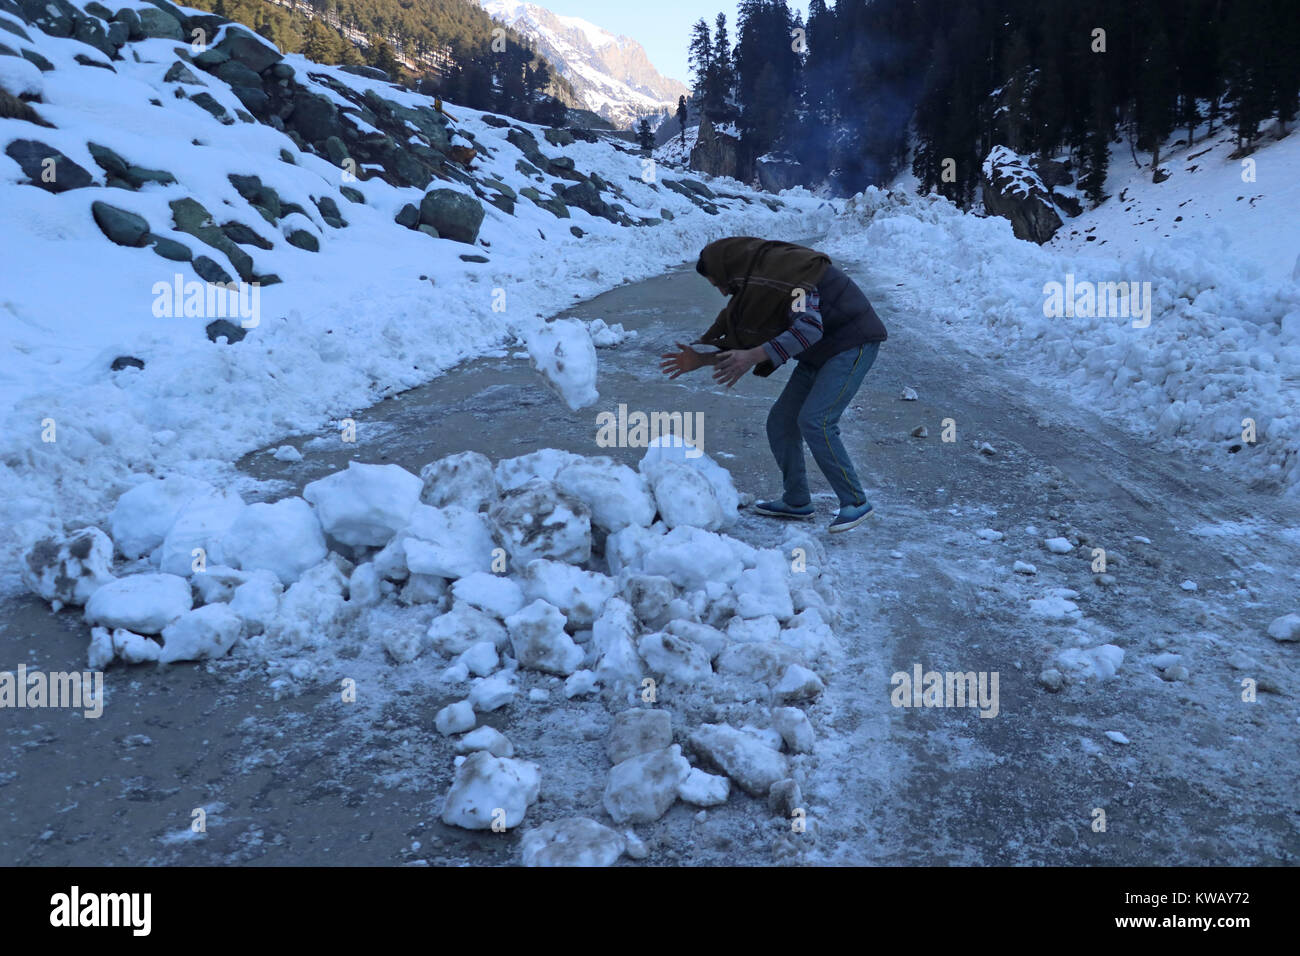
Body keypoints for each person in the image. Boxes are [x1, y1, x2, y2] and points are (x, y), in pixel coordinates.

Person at [659, 237, 887, 532]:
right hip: (819, 354)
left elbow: (808, 329)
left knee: (816, 420)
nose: (724, 291)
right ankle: (797, 502)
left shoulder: (790, 278)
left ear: (731, 268)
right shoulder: (761, 286)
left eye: (719, 283)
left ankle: (855, 502)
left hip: (850, 344)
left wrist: (752, 356)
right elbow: (749, 344)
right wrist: (701, 360)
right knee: (781, 423)